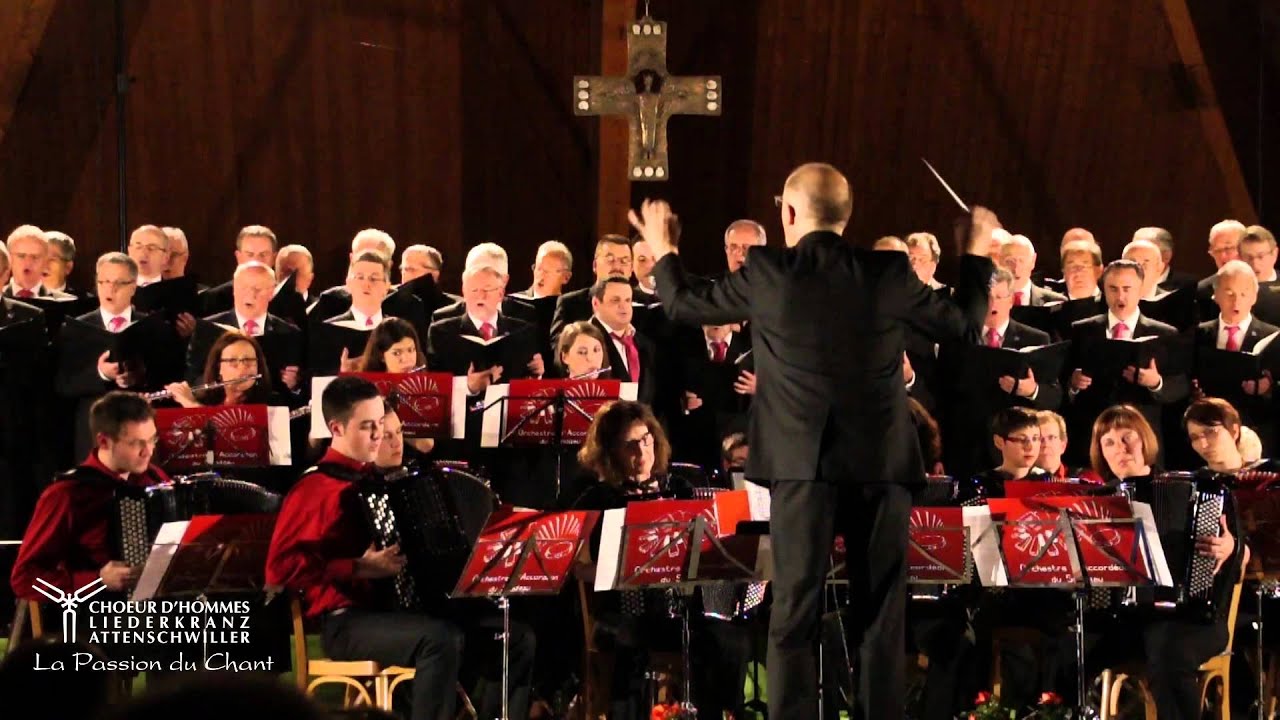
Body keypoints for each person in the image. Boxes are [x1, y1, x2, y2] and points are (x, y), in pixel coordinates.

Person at [630, 162, 998, 719]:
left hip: (800, 466)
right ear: (848, 217)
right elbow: (967, 324)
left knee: (794, 616)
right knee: (880, 615)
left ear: (789, 213)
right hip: (880, 465)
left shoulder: (768, 270)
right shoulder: (888, 272)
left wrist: (662, 247)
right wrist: (974, 252)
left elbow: (683, 306)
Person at [266, 376, 535, 720]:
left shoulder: (390, 480)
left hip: (404, 612)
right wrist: (359, 568)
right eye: (368, 427)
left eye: (381, 423)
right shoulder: (317, 488)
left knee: (514, 637)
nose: (379, 435)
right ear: (336, 428)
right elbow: (279, 569)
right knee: (438, 639)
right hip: (347, 621)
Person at [570, 400, 750, 719]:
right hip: (620, 612)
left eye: (647, 440)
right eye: (631, 445)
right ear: (612, 453)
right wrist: (610, 570)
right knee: (630, 643)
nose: (643, 452)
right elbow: (573, 563)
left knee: (729, 641)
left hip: (676, 613)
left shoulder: (679, 489)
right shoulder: (598, 498)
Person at [1085, 402, 1245, 719]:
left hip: (1192, 617)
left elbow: (1240, 552)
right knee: (1066, 649)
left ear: (1145, 440)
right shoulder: (1096, 503)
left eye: (1127, 437)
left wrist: (1231, 546)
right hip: (1123, 620)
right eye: (1109, 443)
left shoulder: (1201, 489)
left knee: (1167, 654)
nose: (1120, 448)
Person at [10, 391, 169, 600]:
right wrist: (96, 581)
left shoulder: (155, 477)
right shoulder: (67, 494)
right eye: (135, 443)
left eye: (151, 439)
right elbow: (24, 578)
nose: (148, 451)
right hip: (98, 618)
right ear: (104, 441)